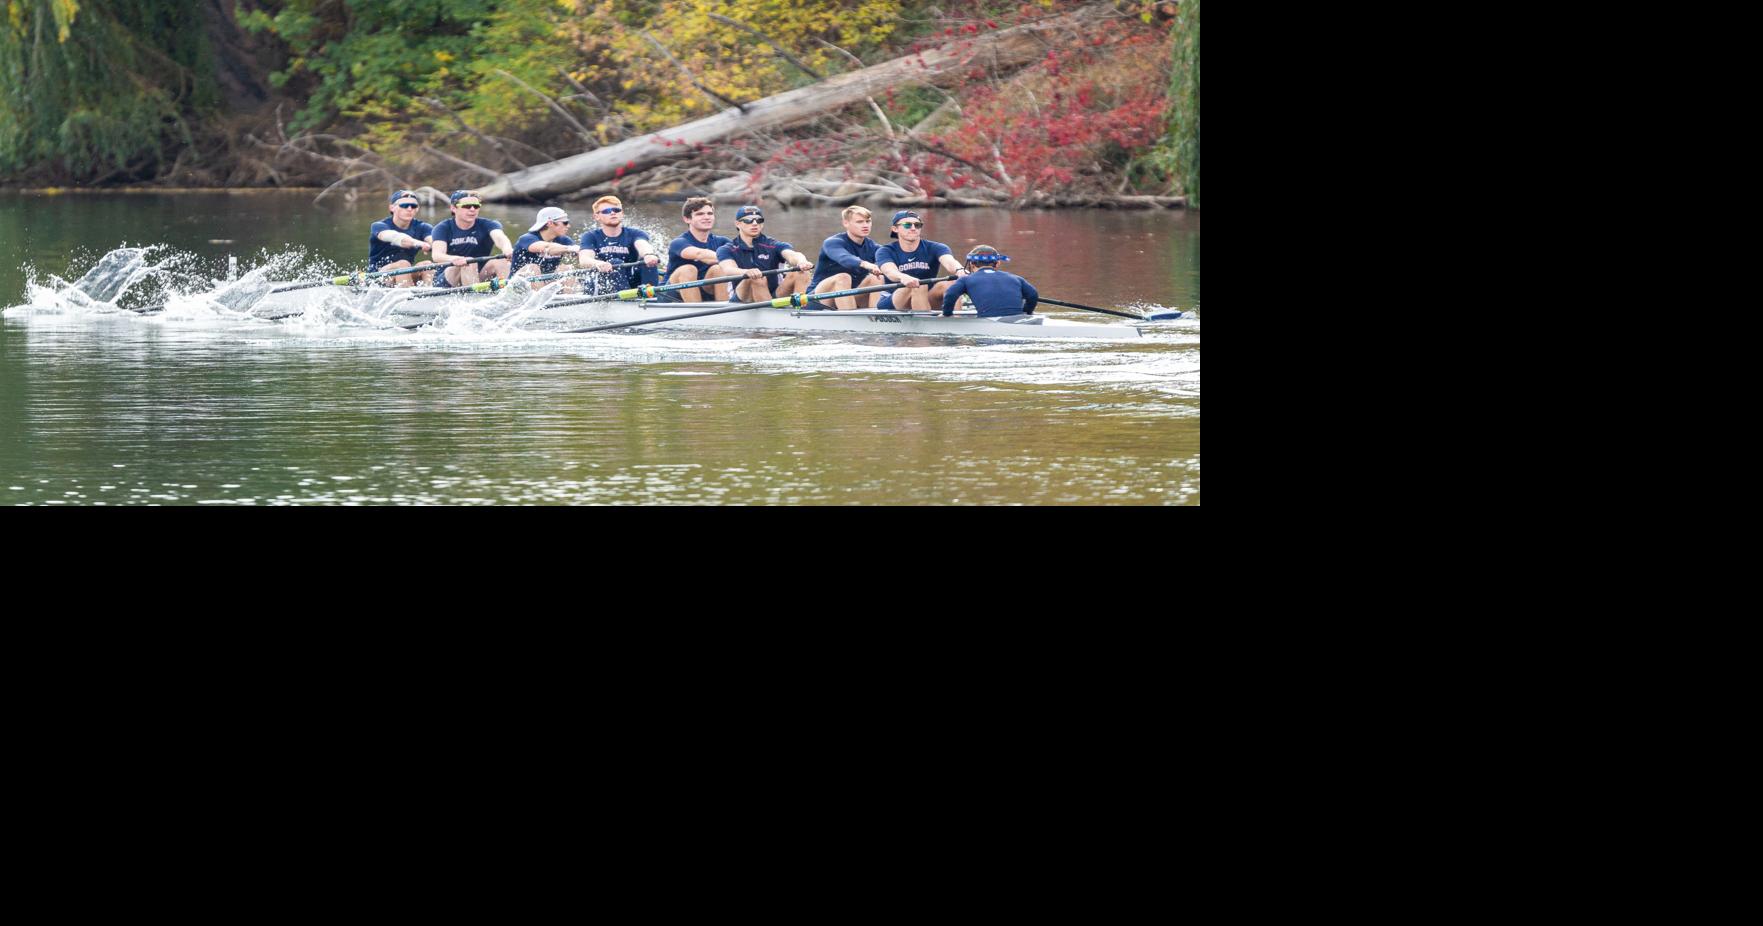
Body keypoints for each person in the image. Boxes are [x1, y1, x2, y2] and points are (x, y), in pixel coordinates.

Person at [714, 205, 814, 304]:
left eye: (759, 220)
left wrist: (802, 262)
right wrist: (747, 271)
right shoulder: (726, 249)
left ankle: (801, 309)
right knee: (756, 278)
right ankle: (771, 314)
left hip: (775, 294)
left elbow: (793, 255)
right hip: (742, 297)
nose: (754, 224)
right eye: (748, 220)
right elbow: (728, 269)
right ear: (737, 224)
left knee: (802, 272)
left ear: (762, 224)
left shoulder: (773, 244)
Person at [874, 210, 966, 311]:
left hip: (926, 296)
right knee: (918, 286)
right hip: (894, 300)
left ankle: (956, 320)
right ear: (895, 229)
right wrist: (902, 277)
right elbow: (890, 271)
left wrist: (959, 270)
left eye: (917, 225)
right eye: (907, 225)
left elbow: (949, 262)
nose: (913, 228)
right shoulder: (885, 251)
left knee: (952, 283)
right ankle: (925, 322)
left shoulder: (936, 247)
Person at [429, 190, 514, 288]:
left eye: (476, 206)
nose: (473, 209)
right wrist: (453, 259)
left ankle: (508, 294)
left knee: (502, 261)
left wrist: (507, 249)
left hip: (478, 274)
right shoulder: (442, 228)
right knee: (469, 262)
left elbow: (500, 238)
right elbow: (437, 255)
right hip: (448, 277)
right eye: (467, 206)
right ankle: (474, 298)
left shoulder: (489, 224)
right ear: (453, 208)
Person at [808, 205, 886, 309]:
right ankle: (852, 321)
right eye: (859, 222)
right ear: (846, 223)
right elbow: (844, 259)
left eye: (868, 221)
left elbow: (890, 259)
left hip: (850, 296)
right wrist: (866, 264)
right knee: (843, 277)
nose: (865, 225)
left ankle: (876, 318)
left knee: (877, 277)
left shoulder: (874, 247)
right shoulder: (832, 243)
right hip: (818, 299)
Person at [578, 195, 660, 294]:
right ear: (596, 216)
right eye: (606, 211)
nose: (613, 213)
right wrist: (598, 263)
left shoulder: (636, 233)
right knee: (615, 262)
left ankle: (652, 297)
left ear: (622, 213)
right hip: (602, 283)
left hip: (630, 280)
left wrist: (649, 255)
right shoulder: (590, 236)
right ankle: (625, 302)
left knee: (646, 261)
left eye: (616, 210)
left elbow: (642, 245)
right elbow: (584, 259)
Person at [662, 197, 732, 302]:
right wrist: (731, 259)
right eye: (700, 214)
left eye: (710, 214)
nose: (707, 217)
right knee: (688, 269)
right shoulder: (678, 242)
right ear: (687, 219)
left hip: (705, 290)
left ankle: (726, 312)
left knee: (718, 269)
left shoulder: (723, 242)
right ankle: (696, 314)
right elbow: (700, 254)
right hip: (671, 295)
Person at [940, 246, 1038, 318]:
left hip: (990, 323)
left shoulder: (966, 280)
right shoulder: (1016, 278)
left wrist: (947, 314)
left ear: (971, 264)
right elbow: (1033, 295)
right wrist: (1026, 313)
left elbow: (950, 294)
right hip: (1019, 319)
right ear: (998, 263)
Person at [367, 189, 434, 287]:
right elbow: (396, 238)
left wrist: (434, 245)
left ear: (417, 209)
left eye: (413, 206)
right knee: (403, 264)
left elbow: (434, 240)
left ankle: (428, 294)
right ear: (392, 208)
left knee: (427, 265)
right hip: (378, 276)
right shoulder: (379, 226)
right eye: (404, 205)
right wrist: (419, 243)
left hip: (405, 272)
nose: (409, 209)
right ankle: (407, 297)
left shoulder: (423, 227)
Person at [510, 206, 583, 290]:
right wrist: (570, 249)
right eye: (565, 222)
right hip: (518, 284)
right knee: (533, 268)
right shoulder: (527, 238)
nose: (569, 226)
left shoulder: (564, 240)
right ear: (550, 223)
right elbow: (546, 247)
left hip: (546, 283)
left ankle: (570, 300)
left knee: (566, 268)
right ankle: (539, 300)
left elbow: (582, 256)